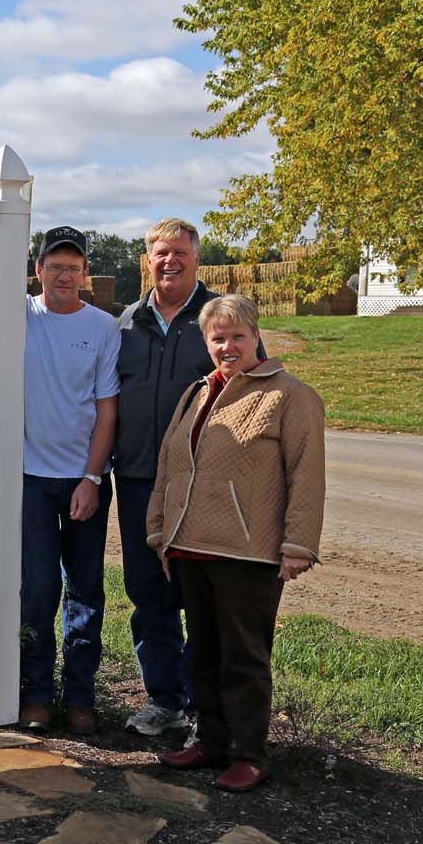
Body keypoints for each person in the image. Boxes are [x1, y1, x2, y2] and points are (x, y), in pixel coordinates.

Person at [146, 294, 324, 791]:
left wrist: (298, 544)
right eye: (217, 338)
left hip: (248, 552)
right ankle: (211, 742)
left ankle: (249, 753)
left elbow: (306, 477)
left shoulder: (290, 396)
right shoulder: (196, 394)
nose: (227, 346)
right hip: (190, 548)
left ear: (256, 336)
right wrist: (159, 531)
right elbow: (169, 467)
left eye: (236, 336)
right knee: (201, 653)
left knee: (243, 657)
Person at [115, 218, 255, 738]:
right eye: (159, 253)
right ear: (147, 260)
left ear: (197, 259)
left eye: (179, 252)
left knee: (200, 595)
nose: (168, 261)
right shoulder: (126, 322)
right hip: (134, 479)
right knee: (147, 593)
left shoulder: (217, 317)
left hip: (202, 484)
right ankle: (164, 699)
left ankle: (205, 709)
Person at [19, 225, 120, 734]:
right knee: (36, 591)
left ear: (84, 275)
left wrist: (92, 478)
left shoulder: (103, 326)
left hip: (83, 480)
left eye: (73, 267)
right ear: (37, 271)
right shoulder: (15, 315)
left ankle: (80, 695)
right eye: (54, 265)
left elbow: (107, 409)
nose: (64, 274)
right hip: (29, 480)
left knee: (85, 591)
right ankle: (35, 693)